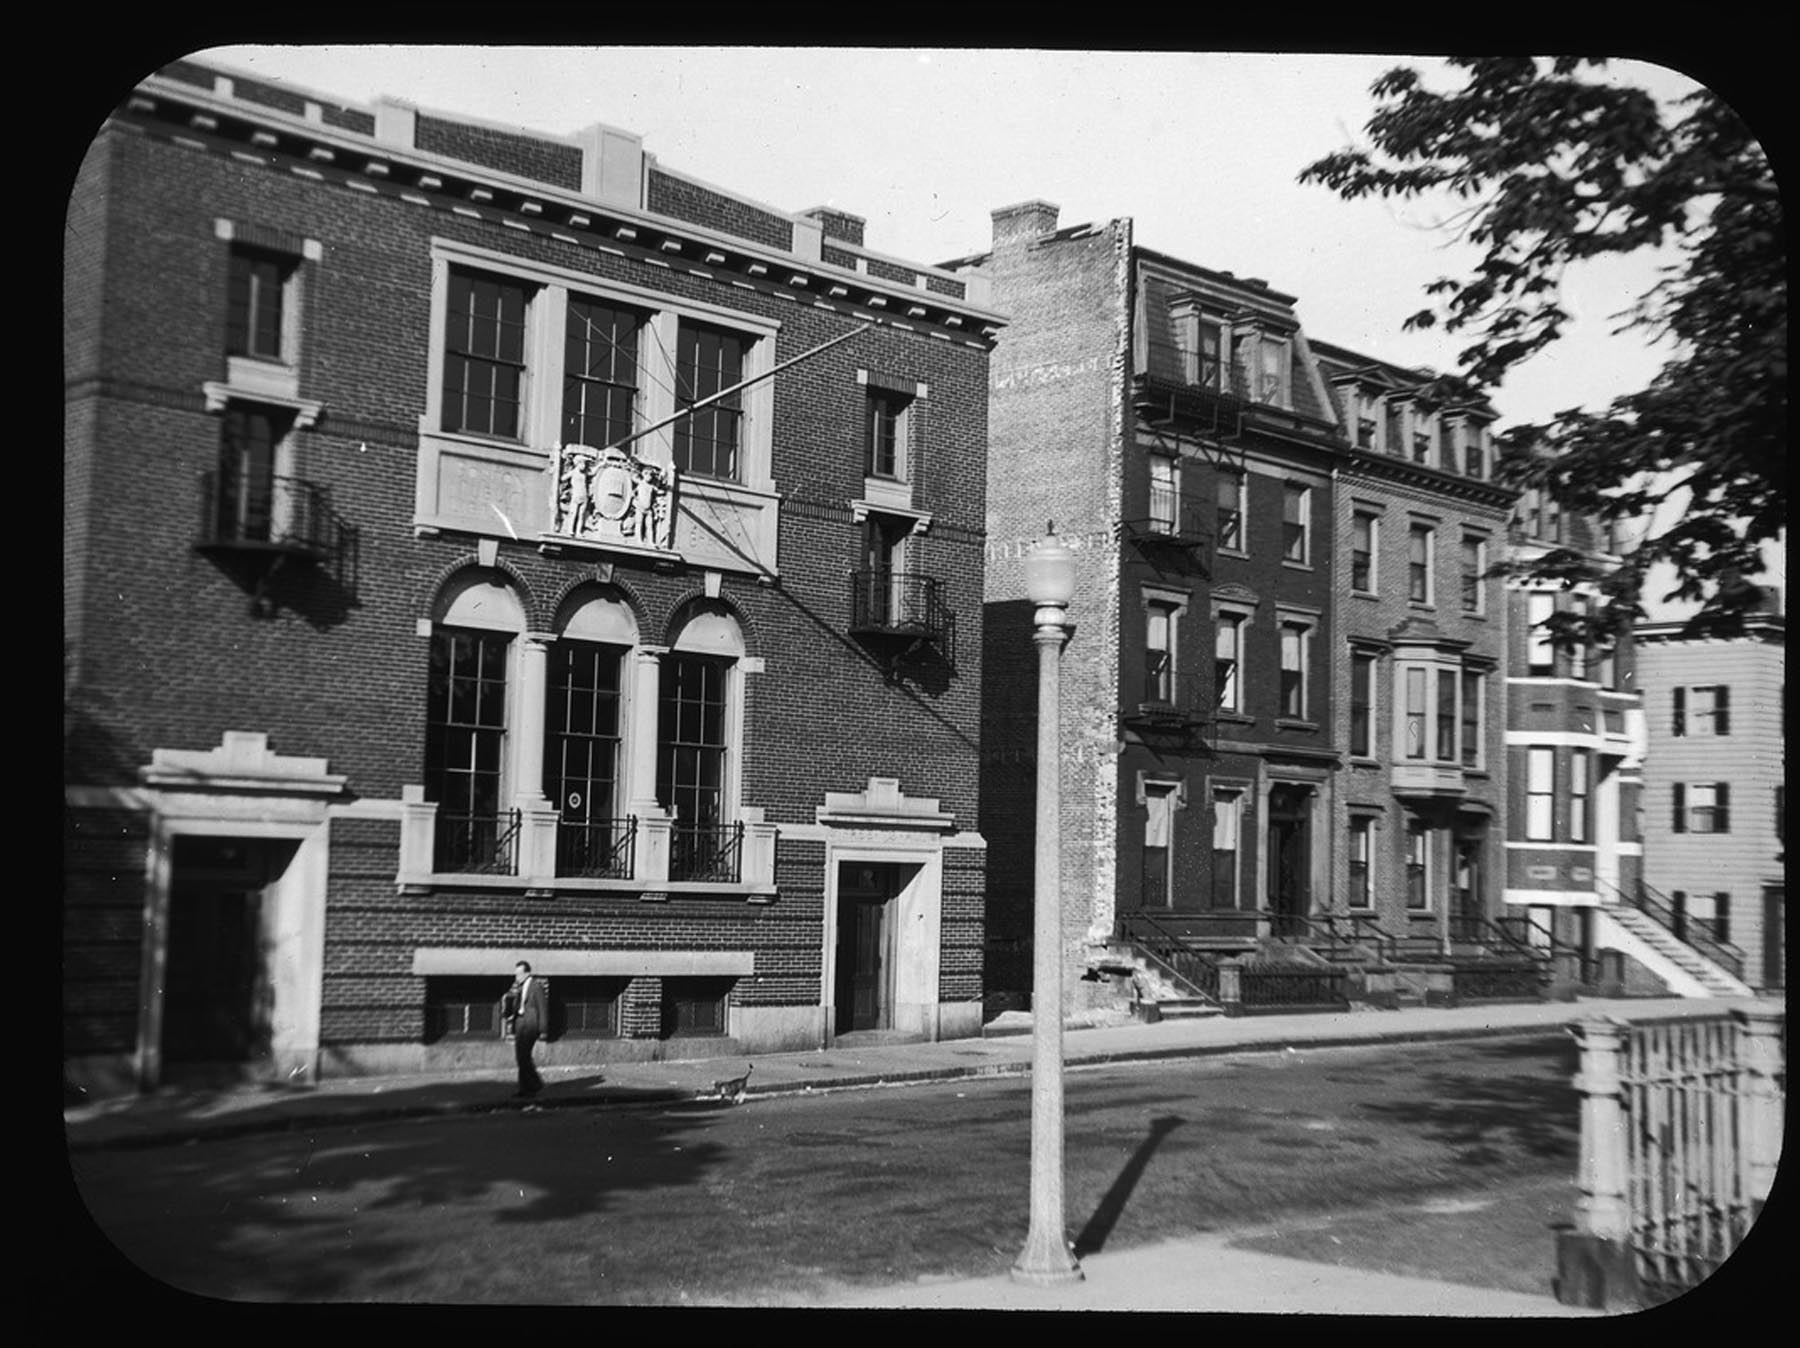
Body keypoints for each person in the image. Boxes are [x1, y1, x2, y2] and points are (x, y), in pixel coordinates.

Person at [506, 960, 547, 1098]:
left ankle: (534, 1084)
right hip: (520, 1023)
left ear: (527, 973)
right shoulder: (520, 987)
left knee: (523, 1055)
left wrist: (543, 1029)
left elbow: (542, 1008)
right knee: (520, 1056)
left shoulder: (536, 987)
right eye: (516, 974)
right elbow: (519, 1006)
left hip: (531, 1025)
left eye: (519, 974)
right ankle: (526, 1088)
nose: (516, 977)